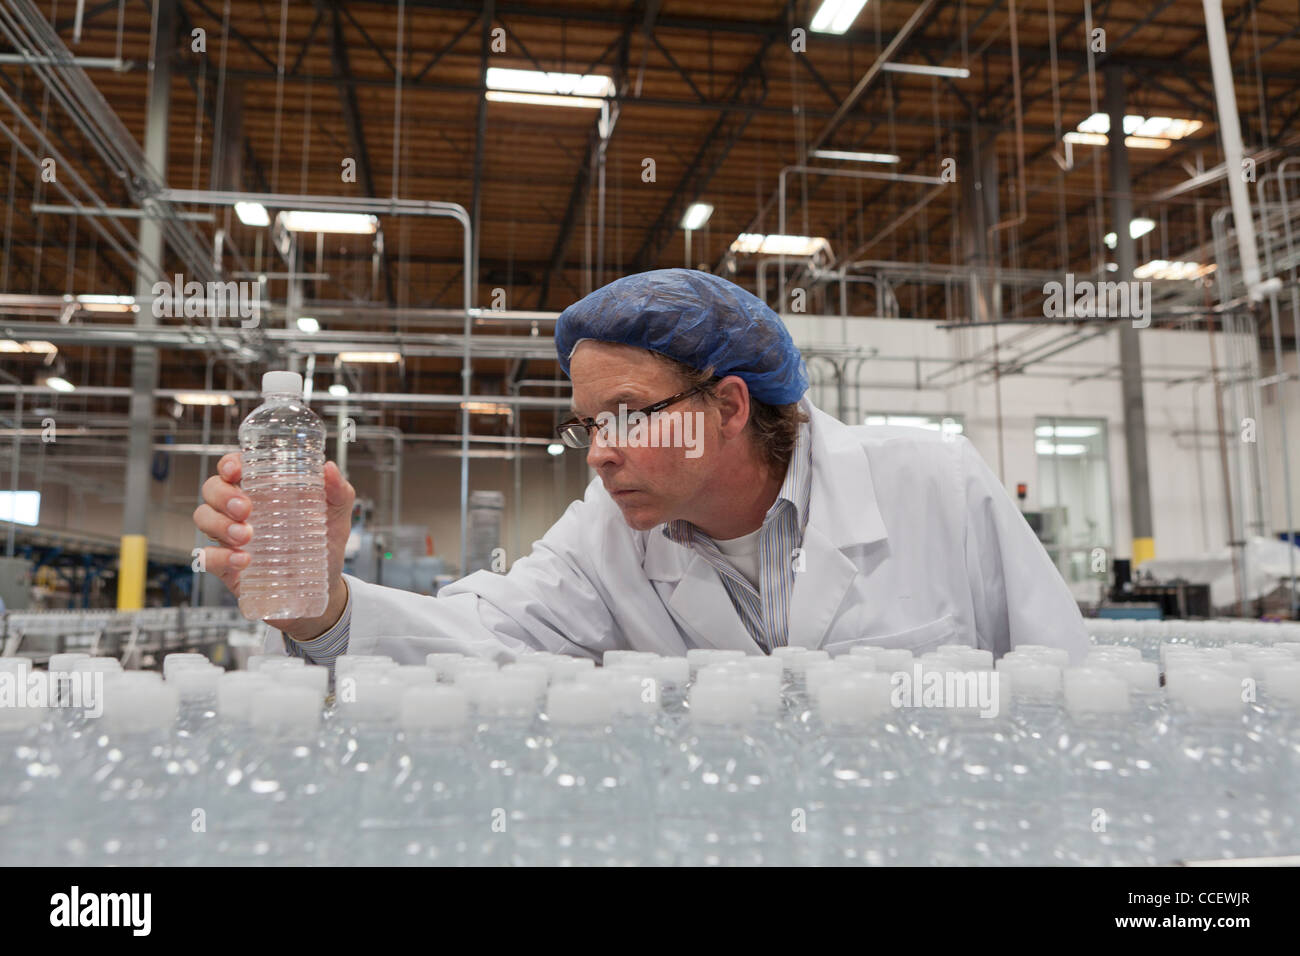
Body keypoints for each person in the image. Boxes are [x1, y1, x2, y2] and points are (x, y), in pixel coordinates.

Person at [193, 269, 1088, 667]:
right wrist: (319, 603)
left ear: (730, 406)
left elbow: (1073, 690)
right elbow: (476, 639)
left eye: (627, 416)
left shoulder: (935, 483)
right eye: (587, 425)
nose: (602, 450)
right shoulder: (606, 533)